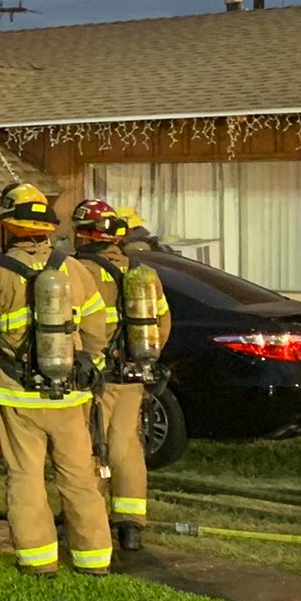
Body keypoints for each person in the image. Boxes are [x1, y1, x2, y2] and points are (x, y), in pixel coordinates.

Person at [0, 183, 113, 576]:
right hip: (69, 397)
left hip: (19, 396)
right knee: (79, 479)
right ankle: (94, 560)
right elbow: (96, 328)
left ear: (8, 226)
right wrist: (86, 363)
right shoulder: (74, 269)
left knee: (26, 478)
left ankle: (38, 562)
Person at [71, 199, 174, 552]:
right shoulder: (141, 273)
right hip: (133, 372)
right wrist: (146, 355)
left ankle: (92, 521)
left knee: (89, 448)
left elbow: (78, 324)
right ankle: (131, 525)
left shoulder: (77, 270)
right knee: (126, 444)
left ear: (83, 234)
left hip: (93, 378)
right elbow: (162, 321)